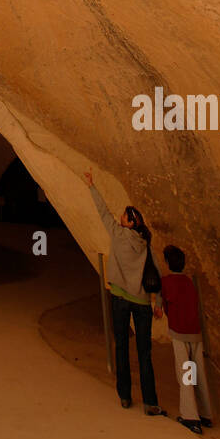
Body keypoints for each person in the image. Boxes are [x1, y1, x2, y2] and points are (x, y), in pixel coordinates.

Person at [84, 169, 166, 415]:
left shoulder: (118, 234)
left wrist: (91, 185)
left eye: (125, 216)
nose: (121, 217)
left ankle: (125, 396)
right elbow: (156, 274)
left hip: (120, 297)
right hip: (142, 301)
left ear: (130, 223)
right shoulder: (145, 243)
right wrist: (158, 302)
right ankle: (150, 401)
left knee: (121, 346)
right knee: (145, 352)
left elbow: (102, 211)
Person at [158, 244, 213, 436]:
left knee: (186, 375)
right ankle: (206, 413)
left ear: (167, 263)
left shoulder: (167, 282)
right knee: (199, 374)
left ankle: (191, 417)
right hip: (195, 333)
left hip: (179, 333)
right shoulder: (189, 282)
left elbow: (162, 307)